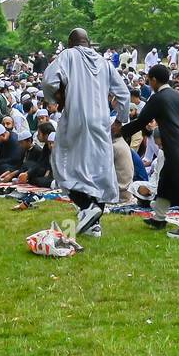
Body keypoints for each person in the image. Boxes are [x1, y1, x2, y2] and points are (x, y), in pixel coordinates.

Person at [41, 29, 130, 239]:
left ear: (70, 43)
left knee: (63, 167)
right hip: (101, 122)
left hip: (76, 119)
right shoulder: (105, 63)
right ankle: (94, 224)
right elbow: (123, 93)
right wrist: (120, 119)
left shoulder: (68, 55)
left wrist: (56, 98)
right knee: (99, 172)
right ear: (88, 42)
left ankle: (87, 208)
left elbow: (48, 81)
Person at [121, 63, 179, 239]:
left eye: (148, 81)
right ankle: (159, 218)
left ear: (153, 80)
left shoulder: (157, 98)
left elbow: (142, 120)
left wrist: (120, 132)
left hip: (174, 144)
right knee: (165, 182)